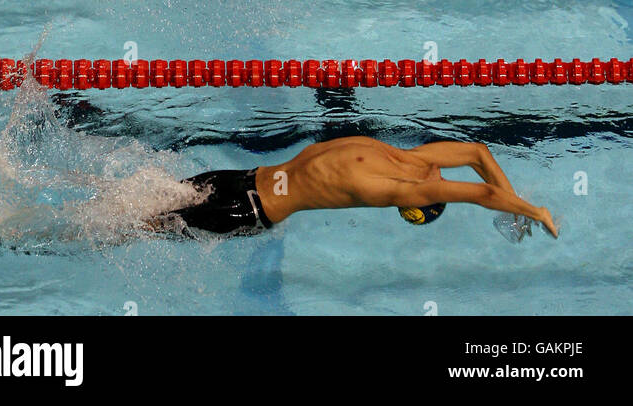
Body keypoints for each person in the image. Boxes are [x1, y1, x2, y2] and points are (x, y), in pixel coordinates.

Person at [143, 136, 559, 239]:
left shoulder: (399, 190)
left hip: (250, 211)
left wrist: (534, 212)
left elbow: (484, 193)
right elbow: (478, 154)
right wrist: (514, 210)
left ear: (424, 201)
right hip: (241, 179)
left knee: (138, 226)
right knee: (142, 197)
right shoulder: (411, 158)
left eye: (441, 188)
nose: (442, 178)